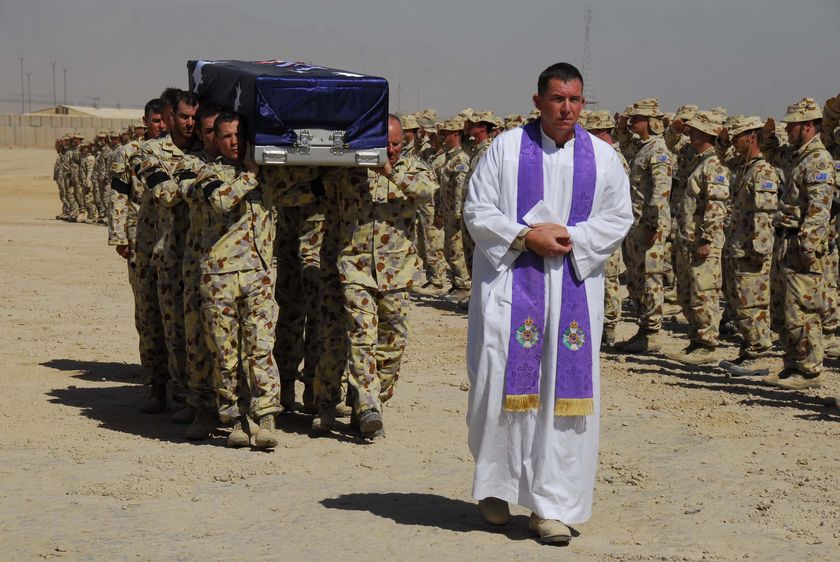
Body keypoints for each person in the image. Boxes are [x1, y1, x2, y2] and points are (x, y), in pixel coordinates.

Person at [463, 63, 632, 544]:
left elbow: (619, 216)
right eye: (558, 99)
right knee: (497, 385)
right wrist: (523, 236)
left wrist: (569, 236)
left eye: (576, 100)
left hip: (572, 292)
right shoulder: (506, 149)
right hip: (510, 290)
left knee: (563, 399)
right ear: (537, 102)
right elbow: (477, 209)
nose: (567, 109)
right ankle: (495, 486)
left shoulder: (602, 157)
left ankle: (549, 507)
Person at [315, 115, 435, 438]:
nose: (391, 149)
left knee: (393, 344)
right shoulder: (351, 173)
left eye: (396, 144)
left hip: (397, 273)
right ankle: (368, 406)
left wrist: (390, 172)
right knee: (361, 337)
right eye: (385, 145)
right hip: (356, 269)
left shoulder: (414, 168)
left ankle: (368, 399)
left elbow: (425, 192)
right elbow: (320, 184)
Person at [761, 98, 835, 389]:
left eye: (792, 125)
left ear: (807, 126)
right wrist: (766, 134)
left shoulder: (819, 160)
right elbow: (770, 154)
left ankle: (809, 371)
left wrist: (808, 246)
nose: (788, 129)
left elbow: (819, 209)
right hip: (785, 241)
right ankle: (791, 364)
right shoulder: (796, 155)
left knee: (802, 310)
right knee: (783, 309)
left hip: (802, 244)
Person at [664, 111, 730, 366]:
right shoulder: (698, 160)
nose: (690, 134)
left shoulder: (715, 166)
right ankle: (696, 340)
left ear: (707, 134)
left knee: (704, 294)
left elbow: (716, 206)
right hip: (688, 242)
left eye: (695, 131)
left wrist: (707, 239)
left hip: (703, 244)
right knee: (687, 294)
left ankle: (707, 344)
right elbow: (672, 143)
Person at [717, 116, 780, 377]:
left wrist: (759, 251)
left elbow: (764, 215)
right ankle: (748, 350)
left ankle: (758, 354)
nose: (733, 141)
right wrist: (721, 139)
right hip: (738, 247)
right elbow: (722, 157)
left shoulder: (763, 172)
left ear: (751, 137)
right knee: (738, 302)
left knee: (751, 303)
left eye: (738, 136)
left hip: (751, 251)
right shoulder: (745, 167)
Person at [613, 98, 673, 353]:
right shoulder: (641, 147)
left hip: (649, 227)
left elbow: (661, 192)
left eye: (637, 118)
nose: (632, 122)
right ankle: (643, 330)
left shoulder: (658, 150)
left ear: (650, 121)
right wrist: (623, 126)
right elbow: (622, 143)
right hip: (635, 225)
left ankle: (652, 334)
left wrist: (653, 224)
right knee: (637, 280)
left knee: (649, 279)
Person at [585, 110, 631, 347]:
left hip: (608, 227)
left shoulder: (614, 158)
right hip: (594, 227)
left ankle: (609, 328)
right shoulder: (598, 156)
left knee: (610, 277)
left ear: (603, 132)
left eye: (591, 132)